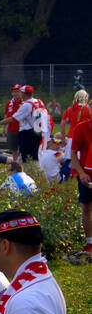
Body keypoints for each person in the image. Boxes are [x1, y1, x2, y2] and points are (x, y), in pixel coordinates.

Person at [69, 110, 92, 261]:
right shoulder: (81, 128)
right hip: (86, 174)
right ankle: (90, 242)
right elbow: (73, 153)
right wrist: (81, 173)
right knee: (86, 207)